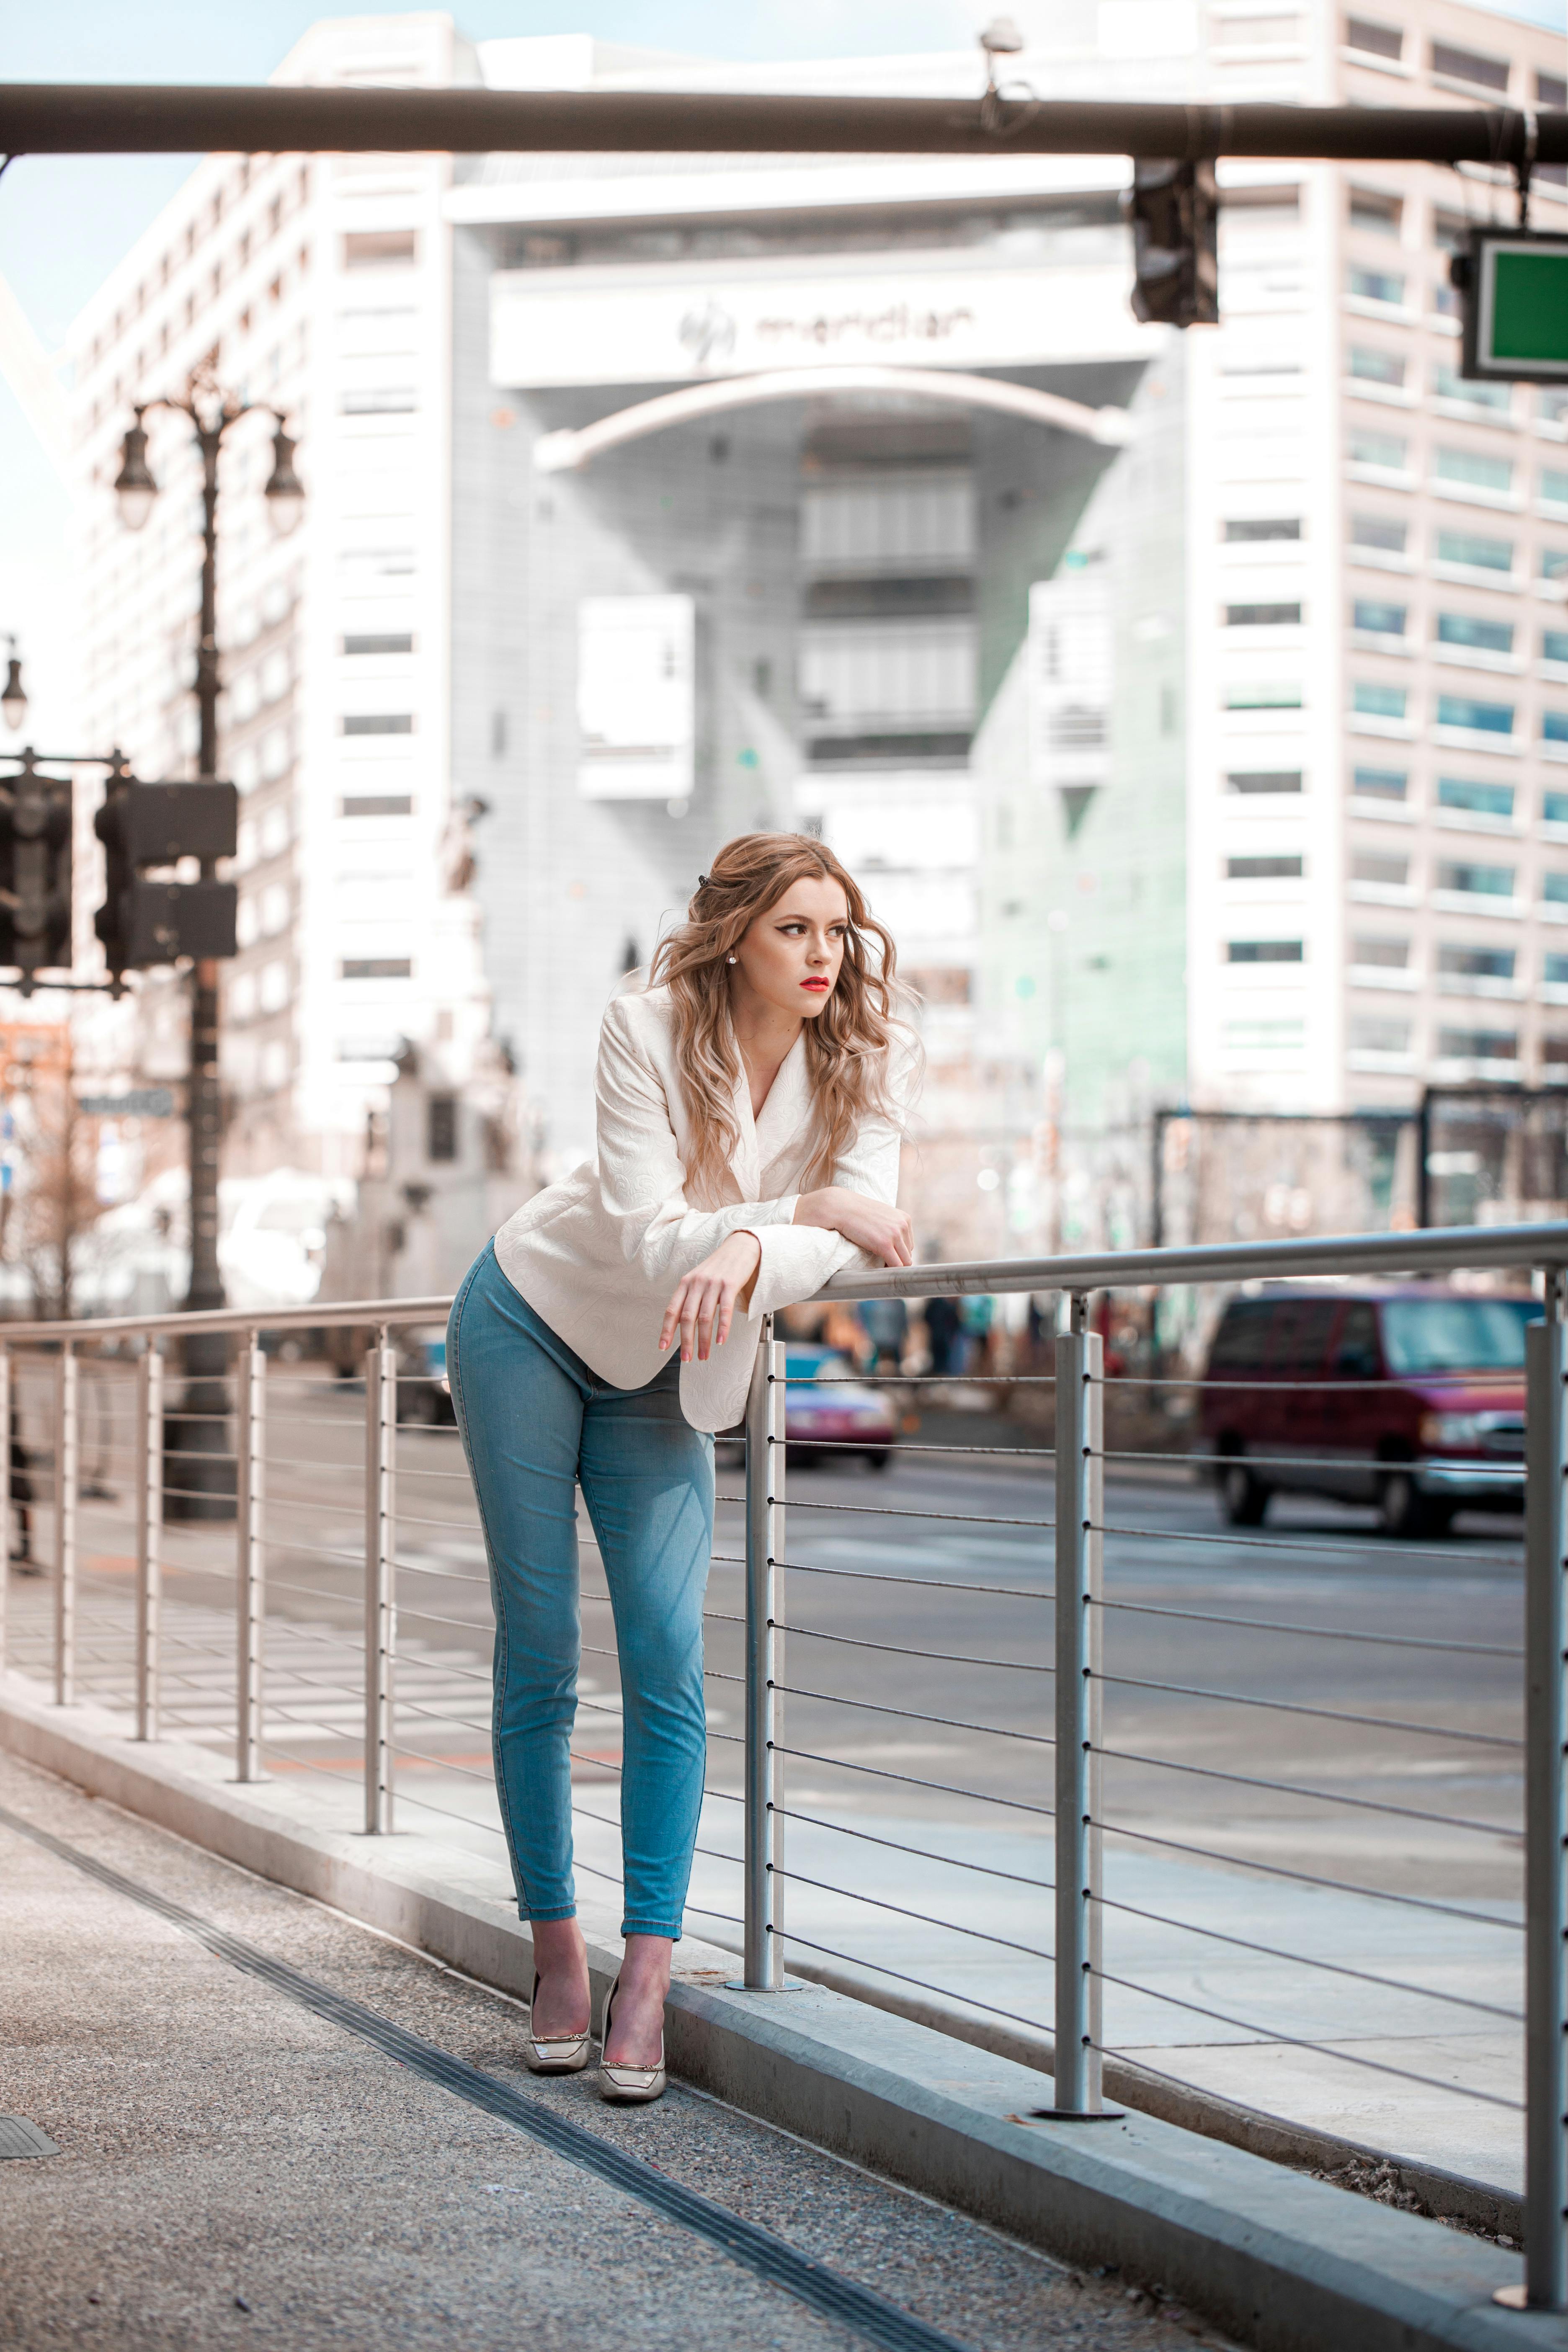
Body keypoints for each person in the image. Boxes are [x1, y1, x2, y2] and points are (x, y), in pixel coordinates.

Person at [448, 833, 920, 2104]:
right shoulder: (643, 1027)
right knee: (540, 1645)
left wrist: (767, 1254)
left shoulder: (868, 1053)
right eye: (794, 931)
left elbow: (865, 1233)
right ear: (734, 936)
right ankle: (554, 1951)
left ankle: (644, 1976)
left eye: (838, 931)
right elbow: (658, 1239)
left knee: (666, 1662)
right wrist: (804, 1214)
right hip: (535, 1321)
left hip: (678, 1361)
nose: (823, 956)